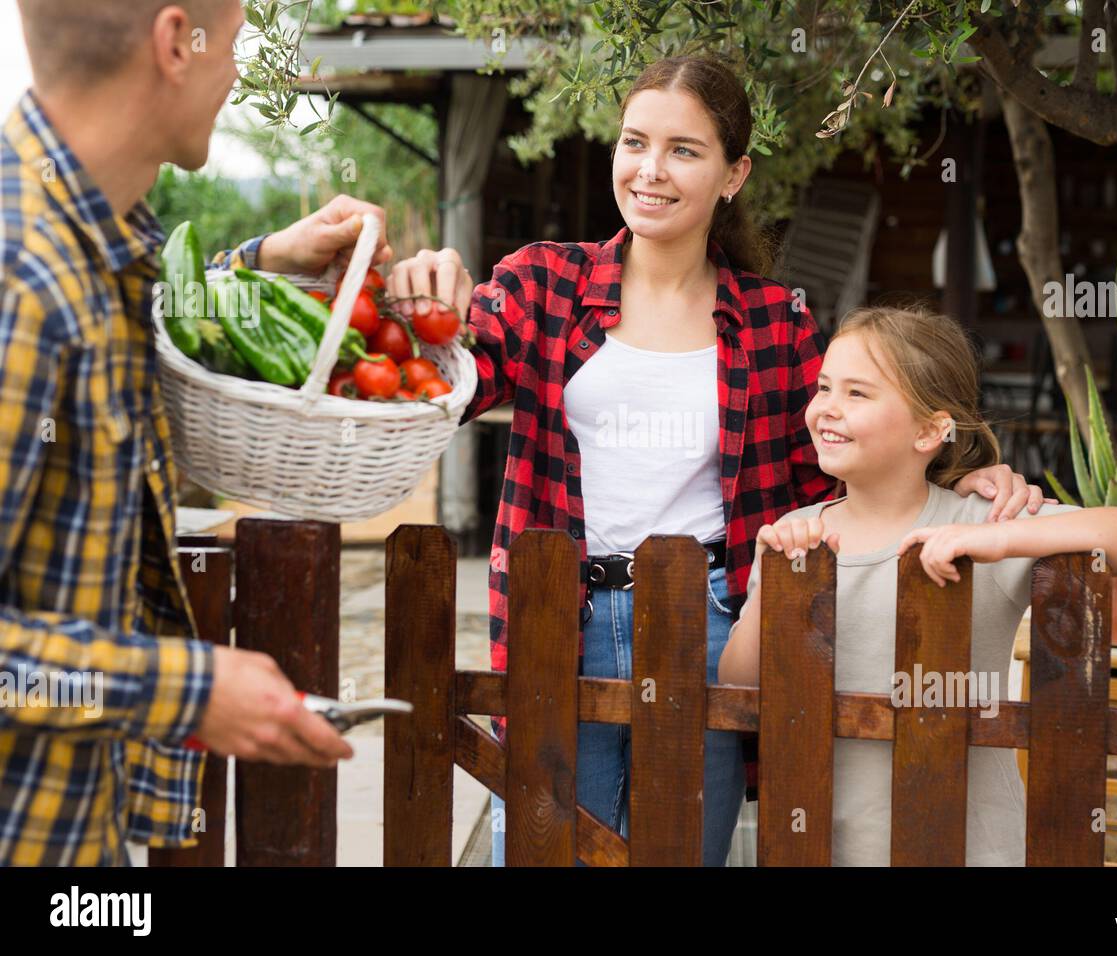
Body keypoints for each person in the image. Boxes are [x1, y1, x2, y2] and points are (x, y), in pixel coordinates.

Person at [393, 57, 1050, 865]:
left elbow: (841, 472)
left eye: (684, 150)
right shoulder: (544, 284)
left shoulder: (776, 322)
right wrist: (426, 310)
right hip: (554, 615)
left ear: (734, 173)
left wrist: (959, 478)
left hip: (713, 622)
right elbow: (446, 382)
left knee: (683, 852)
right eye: (635, 142)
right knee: (543, 850)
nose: (651, 170)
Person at [0, 0, 394, 865]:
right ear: (178, 43)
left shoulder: (84, 249)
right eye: (238, 47)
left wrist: (262, 261)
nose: (237, 76)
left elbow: (152, 305)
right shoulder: (22, 284)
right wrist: (186, 687)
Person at [719, 305, 1117, 865]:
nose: (827, 409)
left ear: (931, 430)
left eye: (858, 394)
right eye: (824, 387)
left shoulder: (979, 522)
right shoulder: (794, 534)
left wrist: (1001, 541)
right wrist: (772, 586)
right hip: (823, 847)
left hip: (973, 845)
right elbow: (737, 688)